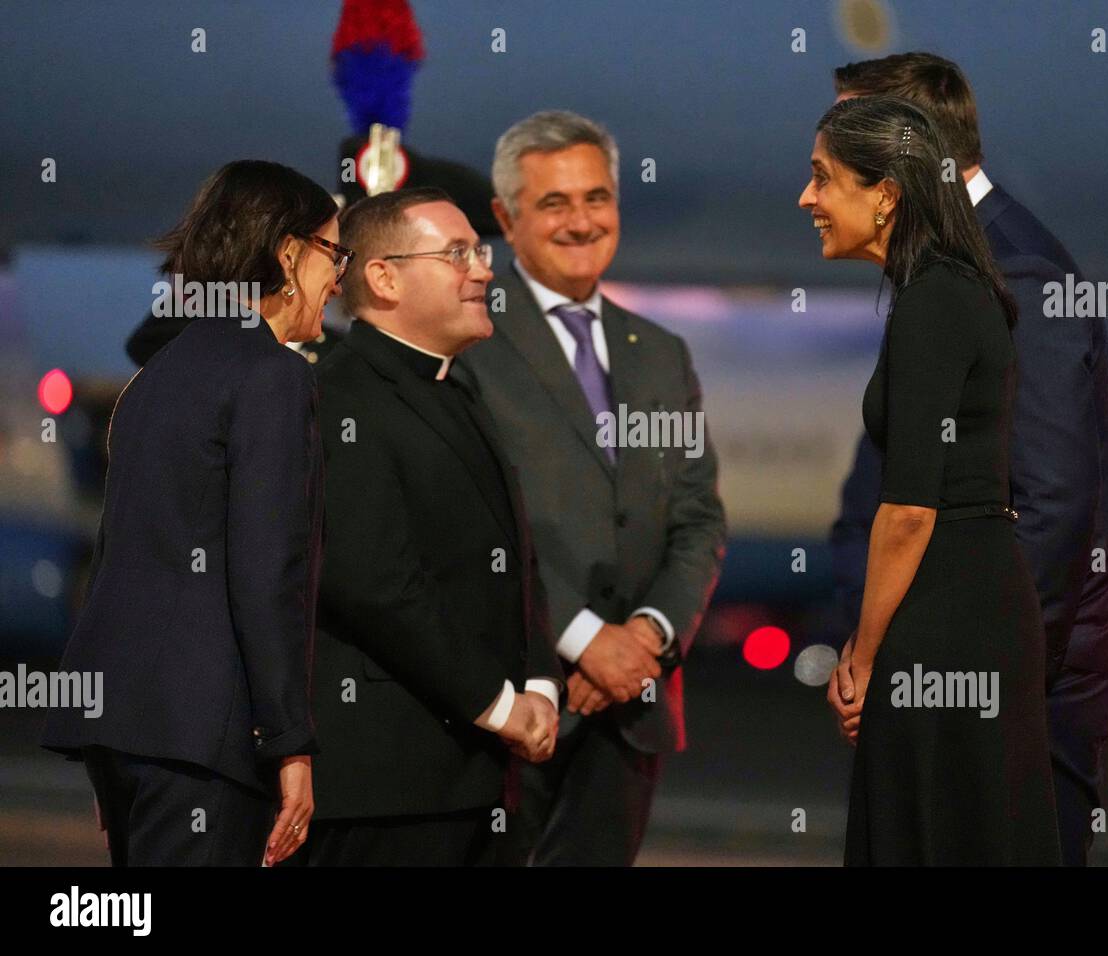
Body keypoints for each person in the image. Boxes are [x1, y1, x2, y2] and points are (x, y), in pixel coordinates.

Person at [826, 54, 1108, 865]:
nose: (823, 168)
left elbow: (1050, 492)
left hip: (1038, 656)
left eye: (849, 134)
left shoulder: (1012, 268)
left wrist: (998, 659)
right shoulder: (949, 261)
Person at [42, 159, 346, 866]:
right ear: (289, 252)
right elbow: (269, 573)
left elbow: (119, 559)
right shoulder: (271, 375)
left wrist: (119, 743)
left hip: (129, 727)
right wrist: (290, 742)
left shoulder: (157, 376)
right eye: (334, 253)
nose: (339, 278)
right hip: (206, 737)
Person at [456, 111, 726, 865]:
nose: (581, 221)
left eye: (596, 198)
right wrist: (580, 638)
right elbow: (466, 528)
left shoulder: (661, 354)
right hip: (512, 707)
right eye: (554, 203)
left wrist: (643, 639)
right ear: (506, 218)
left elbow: (698, 518)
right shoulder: (470, 337)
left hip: (632, 714)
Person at [801, 95, 1061, 865]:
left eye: (822, 178)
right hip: (963, 604)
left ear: (885, 194)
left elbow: (910, 508)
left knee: (935, 832)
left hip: (945, 613)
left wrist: (863, 656)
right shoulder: (946, 290)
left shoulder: (933, 302)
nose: (806, 198)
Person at [301, 187, 563, 866]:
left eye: (479, 251)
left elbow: (516, 556)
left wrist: (539, 685)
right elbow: (373, 584)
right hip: (388, 788)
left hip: (477, 777)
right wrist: (500, 706)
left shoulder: (458, 388)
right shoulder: (339, 395)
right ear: (384, 276)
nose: (482, 269)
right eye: (457, 254)